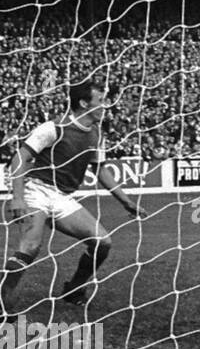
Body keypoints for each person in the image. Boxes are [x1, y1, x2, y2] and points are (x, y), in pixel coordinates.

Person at [1, 79, 142, 317]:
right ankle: (2, 301)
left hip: (62, 197)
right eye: (100, 101)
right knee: (31, 245)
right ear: (84, 103)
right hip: (35, 191)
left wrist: (126, 201)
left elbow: (100, 170)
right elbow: (19, 158)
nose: (105, 106)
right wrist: (17, 199)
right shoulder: (53, 128)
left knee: (102, 242)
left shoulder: (96, 134)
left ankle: (73, 289)